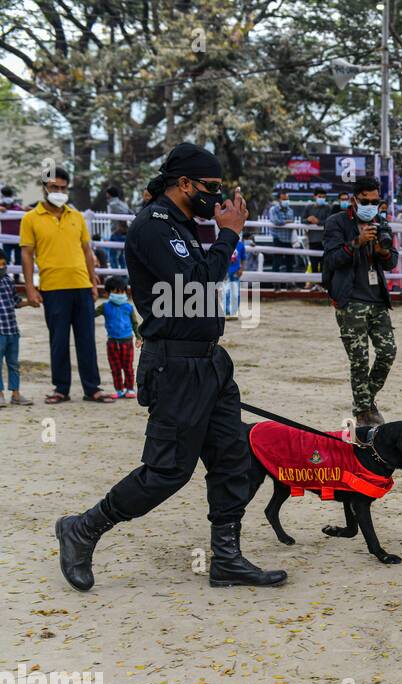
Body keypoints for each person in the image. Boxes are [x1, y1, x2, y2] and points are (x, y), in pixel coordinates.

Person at [55, 142, 286, 591]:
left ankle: (227, 558)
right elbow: (197, 284)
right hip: (176, 367)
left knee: (231, 458)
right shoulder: (154, 227)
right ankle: (82, 529)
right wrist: (229, 234)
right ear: (183, 184)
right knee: (167, 472)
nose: (217, 198)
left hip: (210, 363)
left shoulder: (181, 225)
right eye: (210, 188)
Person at [19, 167, 114, 404]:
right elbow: (27, 255)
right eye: (54, 187)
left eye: (63, 188)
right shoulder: (31, 218)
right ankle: (61, 388)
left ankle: (92, 388)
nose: (59, 191)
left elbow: (86, 251)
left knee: (87, 339)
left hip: (81, 285)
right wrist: (30, 287)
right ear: (45, 188)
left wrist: (93, 283)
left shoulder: (77, 216)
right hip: (52, 287)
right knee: (58, 340)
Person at [321, 176, 399, 428]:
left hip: (377, 299)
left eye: (375, 201)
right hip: (350, 300)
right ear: (354, 199)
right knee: (359, 360)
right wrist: (357, 242)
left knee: (388, 352)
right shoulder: (337, 223)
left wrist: (383, 252)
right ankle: (364, 414)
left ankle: (365, 401)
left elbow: (392, 261)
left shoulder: (382, 222)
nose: (371, 205)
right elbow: (331, 260)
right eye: (366, 201)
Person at [96, 275, 139, 398]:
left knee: (128, 367)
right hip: (112, 342)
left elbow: (135, 323)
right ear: (109, 292)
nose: (119, 294)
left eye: (122, 291)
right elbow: (90, 314)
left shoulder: (128, 307)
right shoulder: (104, 307)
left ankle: (130, 388)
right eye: (116, 291)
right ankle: (119, 389)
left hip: (127, 341)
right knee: (115, 367)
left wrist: (139, 337)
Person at [0, 248, 33, 406]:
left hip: (12, 330)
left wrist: (30, 302)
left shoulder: (7, 280)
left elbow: (15, 301)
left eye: (3, 264)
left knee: (14, 364)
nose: (1, 267)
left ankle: (16, 394)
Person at [267, 191, 295, 289]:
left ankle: (290, 285)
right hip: (278, 239)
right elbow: (275, 221)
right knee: (277, 263)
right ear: (279, 199)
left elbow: (289, 222)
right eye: (284, 199)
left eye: (287, 199)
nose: (286, 201)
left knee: (290, 263)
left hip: (288, 239)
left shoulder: (290, 210)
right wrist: (287, 221)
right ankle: (276, 286)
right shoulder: (273, 209)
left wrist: (284, 222)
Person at [303, 189, 332, 280]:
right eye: (320, 196)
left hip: (325, 241)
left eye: (324, 197)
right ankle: (316, 285)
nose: (322, 199)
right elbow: (302, 220)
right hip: (312, 240)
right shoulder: (308, 208)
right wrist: (308, 220)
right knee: (314, 264)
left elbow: (329, 221)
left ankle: (324, 285)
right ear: (314, 196)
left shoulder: (328, 208)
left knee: (324, 264)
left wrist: (318, 222)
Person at [105, 186, 132, 271]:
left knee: (113, 256)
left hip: (117, 232)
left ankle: (116, 276)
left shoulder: (113, 205)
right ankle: (124, 277)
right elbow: (130, 213)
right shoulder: (123, 203)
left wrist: (120, 227)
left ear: (109, 194)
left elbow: (123, 216)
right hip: (124, 233)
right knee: (121, 257)